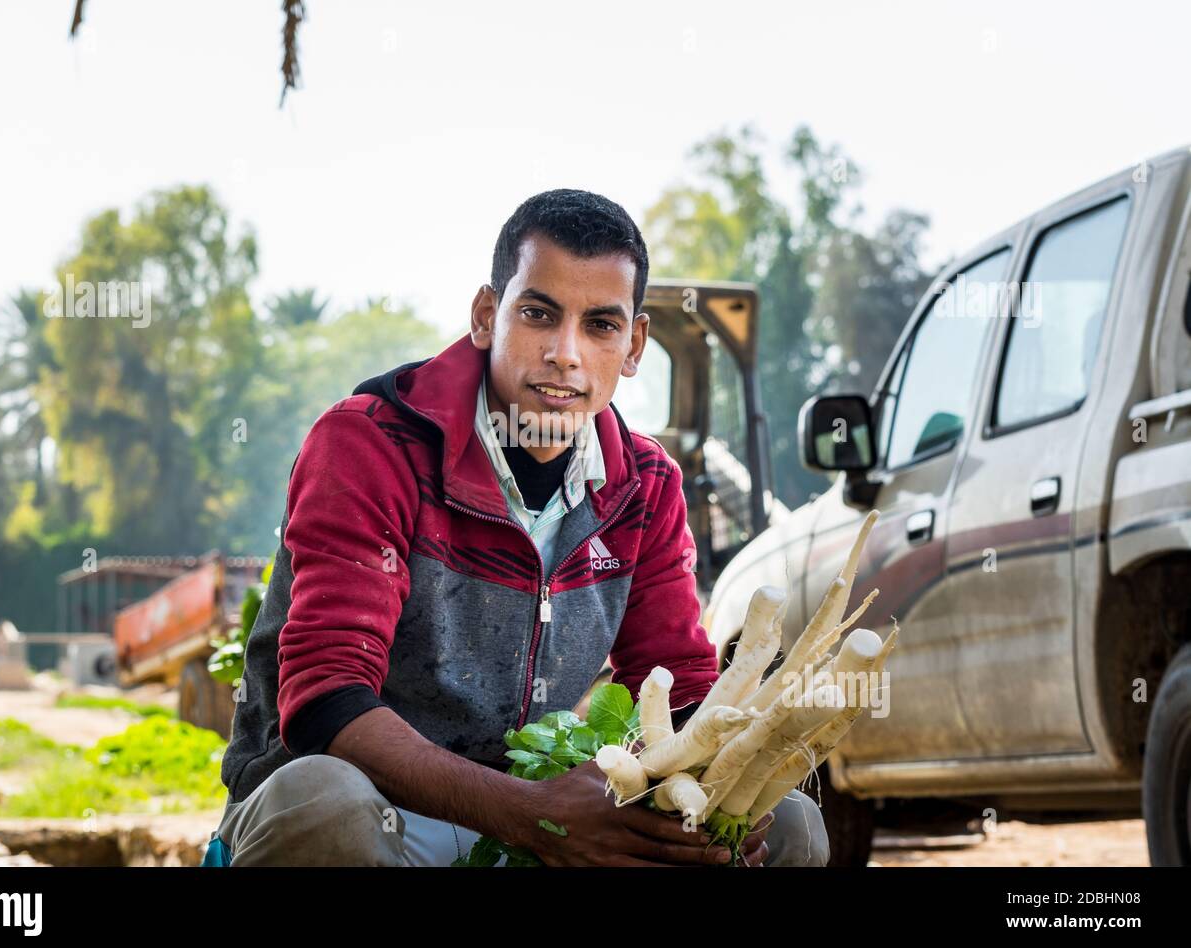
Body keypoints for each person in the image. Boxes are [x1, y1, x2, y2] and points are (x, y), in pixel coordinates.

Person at [206, 188, 829, 867]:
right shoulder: (370, 444)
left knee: (789, 823)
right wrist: (537, 816)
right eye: (538, 313)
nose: (565, 353)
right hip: (380, 810)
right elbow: (327, 698)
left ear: (633, 345)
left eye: (600, 326)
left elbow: (679, 688)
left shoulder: (645, 487)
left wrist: (714, 790)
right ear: (485, 316)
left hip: (536, 821)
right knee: (322, 803)